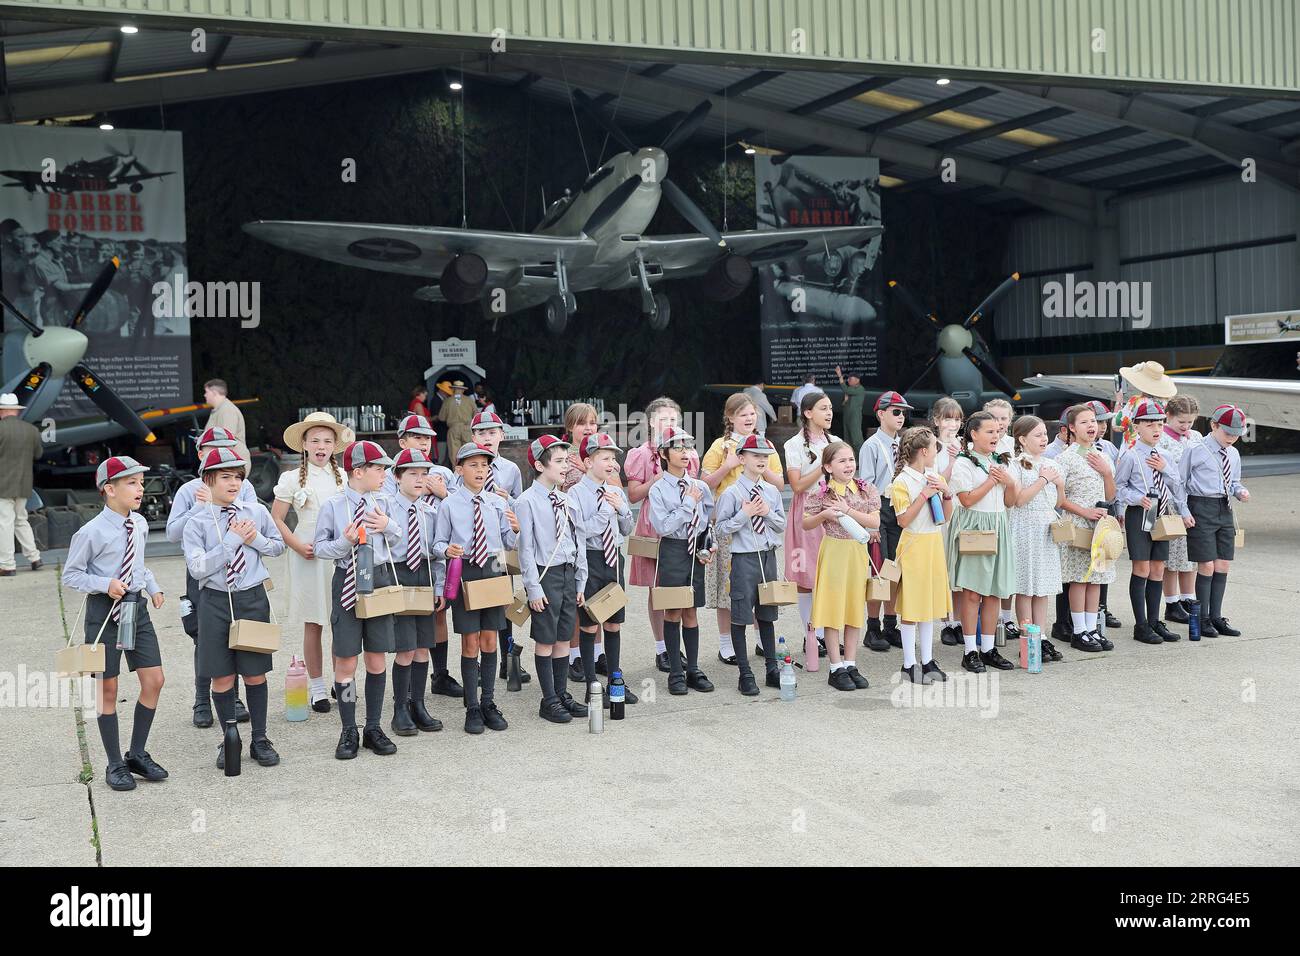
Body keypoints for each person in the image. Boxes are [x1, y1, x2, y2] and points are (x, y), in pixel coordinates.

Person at [62, 456, 167, 791]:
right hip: (104, 612)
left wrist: (152, 587)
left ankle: (136, 753)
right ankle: (114, 764)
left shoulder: (140, 524)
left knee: (155, 680)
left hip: (136, 609)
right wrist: (104, 583)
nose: (140, 488)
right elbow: (72, 574)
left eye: (140, 482)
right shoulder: (90, 531)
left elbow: (137, 564)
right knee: (107, 688)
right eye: (131, 483)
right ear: (109, 489)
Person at [184, 447, 286, 770]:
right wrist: (229, 542)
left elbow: (278, 546)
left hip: (252, 597)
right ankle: (230, 736)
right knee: (222, 676)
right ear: (208, 480)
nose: (234, 483)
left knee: (255, 673)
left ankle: (259, 738)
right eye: (226, 477)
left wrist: (253, 539)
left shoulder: (255, 512)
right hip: (215, 601)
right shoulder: (197, 522)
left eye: (238, 477)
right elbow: (198, 568)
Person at [166, 425, 258, 728]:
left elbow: (255, 519)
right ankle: (202, 699)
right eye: (212, 449)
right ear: (200, 454)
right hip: (204, 572)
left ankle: (233, 695)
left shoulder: (242, 487)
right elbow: (171, 533)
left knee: (240, 634)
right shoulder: (188, 490)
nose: (221, 454)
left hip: (240, 571)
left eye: (229, 448)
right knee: (205, 637)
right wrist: (200, 506)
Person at [314, 440, 401, 759]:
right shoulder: (333, 506)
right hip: (347, 579)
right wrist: (344, 542)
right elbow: (319, 548)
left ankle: (374, 726)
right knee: (347, 661)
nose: (383, 474)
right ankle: (348, 727)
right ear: (358, 471)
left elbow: (401, 537)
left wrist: (387, 525)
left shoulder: (385, 502)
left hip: (377, 577)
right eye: (378, 469)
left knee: (377, 658)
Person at [432, 442, 520, 734]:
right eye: (473, 465)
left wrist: (517, 529)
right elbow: (437, 543)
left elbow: (510, 542)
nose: (480, 470)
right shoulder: (449, 504)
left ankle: (488, 702)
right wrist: (448, 550)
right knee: (470, 641)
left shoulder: (497, 502)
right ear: (459, 470)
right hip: (466, 568)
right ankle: (471, 707)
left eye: (484, 465)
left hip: (494, 568)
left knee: (490, 639)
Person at [271, 412, 350, 714]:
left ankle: (341, 681)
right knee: (314, 621)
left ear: (334, 445)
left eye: (327, 441)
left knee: (341, 621)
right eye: (315, 440)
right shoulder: (291, 478)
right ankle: (317, 687)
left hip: (338, 553)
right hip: (307, 553)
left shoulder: (343, 477)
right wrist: (294, 543)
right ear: (303, 443)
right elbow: (277, 517)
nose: (321, 446)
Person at [700, 393, 783, 665]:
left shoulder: (764, 444)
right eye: (743, 414)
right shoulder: (719, 446)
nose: (749, 418)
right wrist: (729, 464)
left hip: (759, 522)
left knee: (761, 587)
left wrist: (759, 460)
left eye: (753, 414)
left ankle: (762, 640)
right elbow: (706, 483)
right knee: (730, 589)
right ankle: (727, 643)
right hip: (732, 519)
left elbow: (779, 483)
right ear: (731, 418)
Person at [516, 434, 589, 723]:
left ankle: (561, 693)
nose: (565, 466)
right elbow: (526, 548)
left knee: (562, 637)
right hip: (544, 575)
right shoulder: (526, 501)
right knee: (545, 639)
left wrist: (580, 581)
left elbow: (577, 540)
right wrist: (532, 588)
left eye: (566, 460)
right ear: (539, 465)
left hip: (567, 574)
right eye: (558, 461)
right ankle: (548, 700)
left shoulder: (565, 499)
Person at [625, 397, 699, 672]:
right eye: (663, 419)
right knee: (656, 588)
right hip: (652, 524)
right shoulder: (641, 454)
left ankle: (681, 646)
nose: (669, 424)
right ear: (650, 423)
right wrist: (657, 480)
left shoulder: (688, 453)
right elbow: (633, 495)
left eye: (673, 419)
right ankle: (662, 648)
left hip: (683, 526)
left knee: (681, 585)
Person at [713, 434, 787, 695]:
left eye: (765, 456)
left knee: (766, 616)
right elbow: (720, 530)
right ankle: (745, 673)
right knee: (741, 616)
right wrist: (744, 515)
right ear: (741, 459)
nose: (761, 460)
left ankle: (771, 669)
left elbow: (782, 525)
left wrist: (766, 512)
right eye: (755, 455)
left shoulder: (771, 491)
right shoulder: (732, 493)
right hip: (743, 559)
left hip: (767, 557)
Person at [946, 411, 1018, 673]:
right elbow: (965, 499)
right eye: (989, 431)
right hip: (976, 526)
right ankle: (970, 650)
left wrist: (1009, 484)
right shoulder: (964, 463)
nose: (995, 436)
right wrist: (992, 480)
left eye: (998, 431)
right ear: (973, 434)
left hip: (998, 525)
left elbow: (1010, 502)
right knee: (973, 591)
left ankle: (988, 648)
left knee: (993, 591)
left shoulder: (1000, 461)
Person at [570, 433, 638, 707]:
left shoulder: (616, 491)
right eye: (604, 458)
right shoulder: (575, 493)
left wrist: (621, 509)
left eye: (613, 458)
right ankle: (591, 685)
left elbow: (626, 528)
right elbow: (581, 532)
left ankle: (614, 681)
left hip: (613, 559)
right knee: (588, 624)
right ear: (588, 462)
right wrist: (603, 514)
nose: (611, 464)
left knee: (613, 622)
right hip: (590, 560)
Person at [804, 442, 879, 690]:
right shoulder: (821, 494)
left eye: (851, 460)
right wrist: (823, 516)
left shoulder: (865, 490)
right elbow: (806, 524)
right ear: (828, 466)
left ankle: (851, 662)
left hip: (857, 552)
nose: (849, 465)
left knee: (853, 607)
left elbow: (874, 521)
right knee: (833, 607)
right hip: (834, 551)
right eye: (842, 461)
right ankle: (835, 666)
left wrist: (848, 510)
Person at [460, 409, 528, 686]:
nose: (486, 438)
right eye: (480, 433)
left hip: (500, 546)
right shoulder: (466, 466)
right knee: (473, 603)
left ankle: (507, 659)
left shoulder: (510, 469)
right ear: (472, 435)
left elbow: (519, 506)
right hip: (474, 548)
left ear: (502, 435)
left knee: (502, 601)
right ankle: (474, 661)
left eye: (492, 432)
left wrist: (506, 501)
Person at [647, 427, 716, 696]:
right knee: (673, 610)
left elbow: (708, 519)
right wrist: (687, 505)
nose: (684, 453)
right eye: (677, 448)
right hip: (674, 549)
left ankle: (693, 669)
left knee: (692, 610)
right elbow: (663, 526)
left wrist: (709, 544)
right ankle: (675, 670)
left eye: (687, 447)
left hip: (695, 549)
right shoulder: (658, 489)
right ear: (664, 454)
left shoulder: (700, 486)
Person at [1113, 399, 1186, 645]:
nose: (1156, 429)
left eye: (1160, 424)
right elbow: (1118, 488)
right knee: (1141, 568)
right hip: (1140, 515)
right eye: (1150, 424)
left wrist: (1166, 468)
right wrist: (1136, 498)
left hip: (1162, 514)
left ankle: (1155, 621)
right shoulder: (1131, 456)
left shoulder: (1164, 455)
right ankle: (1141, 625)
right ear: (1137, 427)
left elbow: (1177, 486)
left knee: (1158, 569)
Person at [383, 449, 445, 736]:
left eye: (424, 474)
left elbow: (436, 553)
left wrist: (440, 586)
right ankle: (399, 708)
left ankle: (418, 704)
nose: (420, 479)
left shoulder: (430, 511)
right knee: (405, 648)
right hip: (398, 574)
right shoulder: (385, 508)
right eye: (412, 473)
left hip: (424, 573)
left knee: (423, 646)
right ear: (397, 477)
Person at [1180, 404, 1251, 638]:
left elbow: (1234, 481)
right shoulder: (1195, 448)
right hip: (1200, 505)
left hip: (1224, 506)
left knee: (1223, 564)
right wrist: (1184, 510)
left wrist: (1240, 491)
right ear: (1213, 425)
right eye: (1227, 432)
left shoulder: (1233, 453)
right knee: (1206, 564)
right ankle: (1202, 618)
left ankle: (1216, 617)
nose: (1231, 438)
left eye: (1236, 435)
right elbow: (1180, 482)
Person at [889, 426, 954, 683]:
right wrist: (924, 494)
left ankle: (927, 660)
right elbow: (903, 520)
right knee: (913, 606)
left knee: (928, 605)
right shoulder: (902, 481)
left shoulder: (933, 475)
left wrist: (946, 493)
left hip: (932, 543)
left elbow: (945, 517)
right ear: (924, 451)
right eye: (934, 447)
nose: (937, 451)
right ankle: (909, 663)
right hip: (914, 544)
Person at [1054, 404, 1118, 652]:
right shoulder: (1064, 458)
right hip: (1079, 523)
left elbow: (1111, 495)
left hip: (1101, 526)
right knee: (1080, 579)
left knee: (1097, 579)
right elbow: (1060, 499)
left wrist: (1107, 474)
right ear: (1071, 428)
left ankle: (1092, 629)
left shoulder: (1103, 456)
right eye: (1084, 422)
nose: (1091, 426)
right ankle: (1078, 630)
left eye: (1093, 421)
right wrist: (1084, 512)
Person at [783, 391, 839, 666]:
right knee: (806, 577)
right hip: (807, 510)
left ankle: (828, 629)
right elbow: (796, 485)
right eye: (823, 408)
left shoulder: (837, 442)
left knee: (830, 574)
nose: (829, 413)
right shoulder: (794, 444)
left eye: (830, 408)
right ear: (807, 413)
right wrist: (823, 465)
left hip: (834, 509)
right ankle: (810, 632)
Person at [857, 390, 913, 652]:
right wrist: (871, 522)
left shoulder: (905, 443)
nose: (901, 417)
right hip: (880, 507)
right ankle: (872, 627)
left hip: (901, 507)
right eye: (896, 411)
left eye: (903, 412)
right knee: (879, 570)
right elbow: (866, 484)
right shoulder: (871, 445)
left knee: (897, 570)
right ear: (881, 414)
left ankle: (891, 625)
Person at [1008, 416, 1065, 662]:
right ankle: (1027, 637)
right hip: (1024, 526)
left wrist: (1059, 484)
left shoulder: (1052, 463)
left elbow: (1059, 502)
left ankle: (1041, 637)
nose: (1044, 439)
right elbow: (1018, 500)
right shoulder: (1016, 464)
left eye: (1045, 434)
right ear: (1022, 439)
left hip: (1046, 526)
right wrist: (1043, 480)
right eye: (1038, 435)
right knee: (1026, 587)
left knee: (1042, 587)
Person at [1157, 395, 1203, 624]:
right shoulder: (1161, 439)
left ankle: (1188, 598)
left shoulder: (1196, 437)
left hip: (1194, 501)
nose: (1186, 427)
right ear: (1168, 416)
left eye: (1190, 422)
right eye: (1181, 422)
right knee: (1173, 556)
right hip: (1171, 503)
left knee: (1191, 555)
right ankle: (1172, 602)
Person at [0, 392, 43, 577]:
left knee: (5, 523)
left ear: (2, 411)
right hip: (24, 483)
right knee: (21, 519)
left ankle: (7, 565)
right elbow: (38, 455)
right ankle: (35, 557)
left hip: (2, 484)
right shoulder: (31, 430)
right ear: (16, 411)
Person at [1113, 361, 1177, 449]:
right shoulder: (1167, 404)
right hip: (1159, 452)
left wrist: (1119, 401)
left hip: (1135, 451)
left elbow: (1116, 425)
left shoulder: (1136, 401)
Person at [203, 379, 249, 462]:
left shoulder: (227, 410)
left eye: (207, 392)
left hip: (231, 465)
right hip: (226, 464)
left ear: (214, 393)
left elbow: (227, 442)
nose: (205, 395)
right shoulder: (219, 410)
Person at [434, 380, 476, 463]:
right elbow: (476, 414)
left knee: (454, 454)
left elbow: (441, 417)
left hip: (453, 429)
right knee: (468, 452)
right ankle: (468, 472)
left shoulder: (447, 401)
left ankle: (457, 473)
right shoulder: (470, 400)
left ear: (453, 389)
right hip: (467, 428)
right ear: (463, 390)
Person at [835, 365, 868, 450]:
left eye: (850, 379)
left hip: (855, 416)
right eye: (848, 379)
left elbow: (846, 390)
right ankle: (851, 457)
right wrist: (845, 401)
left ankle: (860, 456)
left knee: (856, 437)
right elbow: (843, 403)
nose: (848, 380)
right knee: (847, 438)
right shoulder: (850, 389)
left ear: (857, 380)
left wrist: (840, 376)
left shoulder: (860, 389)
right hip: (847, 416)